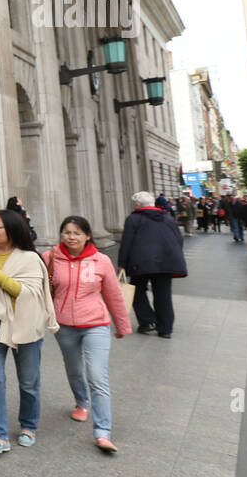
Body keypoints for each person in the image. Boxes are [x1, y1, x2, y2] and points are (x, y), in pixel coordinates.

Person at [0, 209, 58, 454]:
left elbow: (30, 293)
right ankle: (0, 435)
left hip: (26, 325)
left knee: (28, 382)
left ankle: (28, 426)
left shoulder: (30, 258)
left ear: (12, 230)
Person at [44, 216, 131, 453]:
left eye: (77, 233)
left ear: (87, 236)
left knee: (97, 376)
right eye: (67, 232)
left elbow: (114, 295)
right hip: (64, 327)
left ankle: (103, 432)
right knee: (74, 370)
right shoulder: (50, 258)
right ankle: (81, 402)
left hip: (96, 324)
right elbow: (39, 289)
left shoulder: (101, 261)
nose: (71, 237)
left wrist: (122, 325)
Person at [116, 191, 187, 339]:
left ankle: (147, 321)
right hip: (166, 262)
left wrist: (122, 263)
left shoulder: (133, 219)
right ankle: (165, 328)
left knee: (137, 291)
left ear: (137, 204)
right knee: (163, 295)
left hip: (141, 262)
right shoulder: (167, 218)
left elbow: (127, 242)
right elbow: (178, 239)